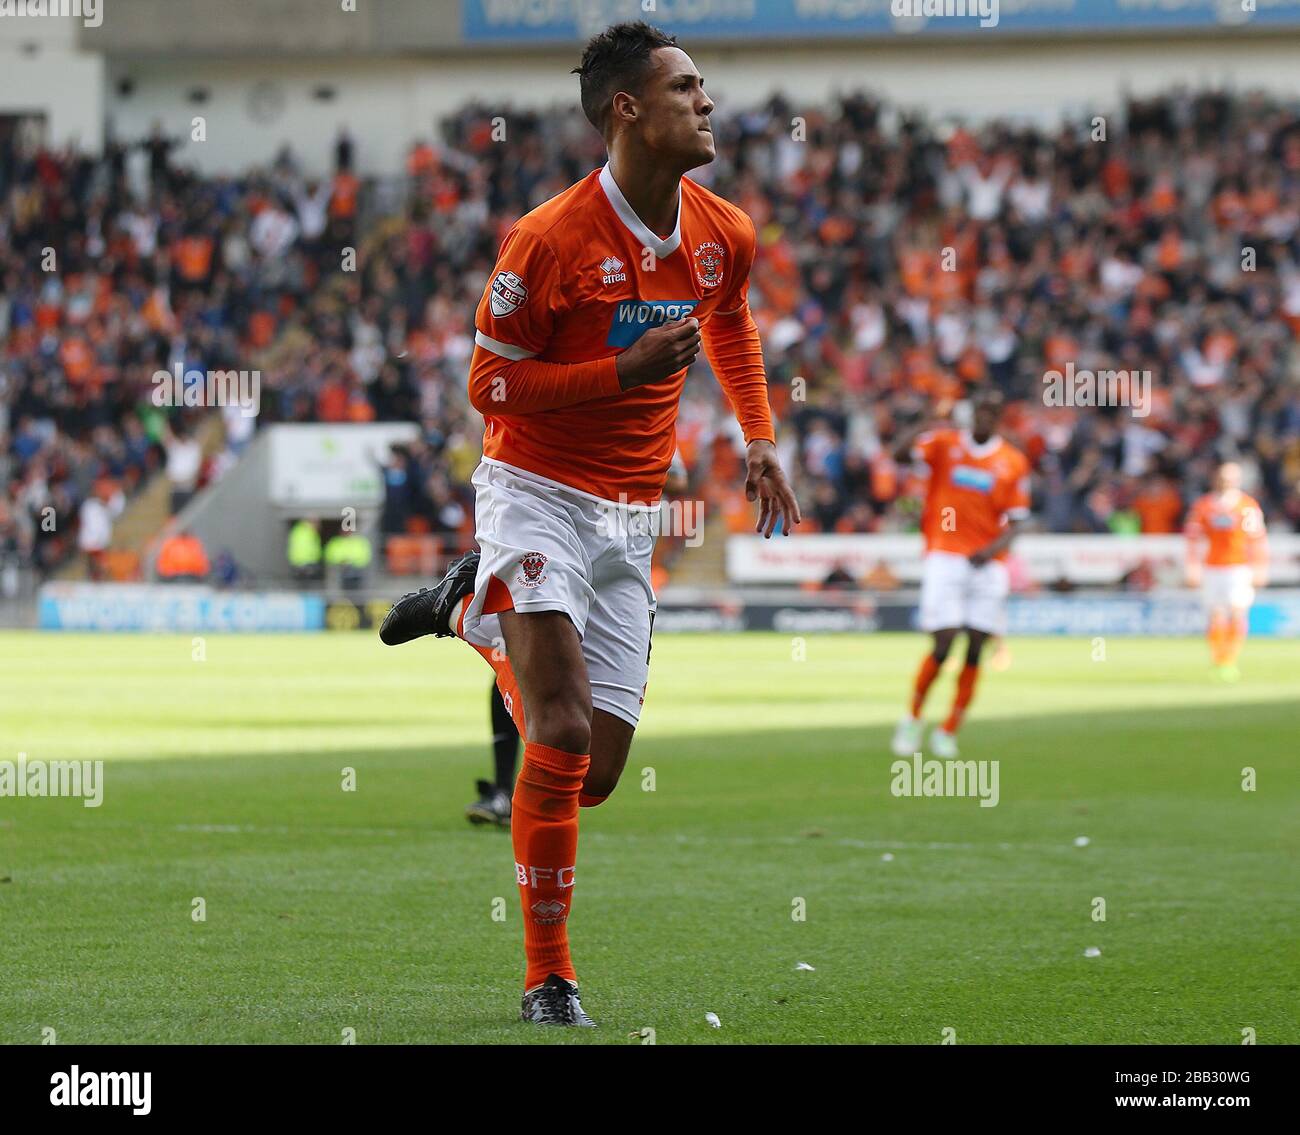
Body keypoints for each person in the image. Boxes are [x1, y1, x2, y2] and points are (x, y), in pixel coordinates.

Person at [379, 21, 800, 1027]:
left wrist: (757, 434)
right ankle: (548, 976)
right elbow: (489, 382)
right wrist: (622, 369)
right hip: (532, 489)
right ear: (627, 109)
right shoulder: (550, 238)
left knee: (592, 775)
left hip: (628, 514)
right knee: (558, 728)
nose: (707, 102)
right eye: (686, 87)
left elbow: (729, 315)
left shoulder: (721, 230)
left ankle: (467, 615)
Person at [890, 389, 1031, 760]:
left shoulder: (1012, 461)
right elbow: (899, 455)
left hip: (987, 563)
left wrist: (991, 550)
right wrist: (927, 421)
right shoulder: (944, 443)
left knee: (975, 648)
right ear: (972, 413)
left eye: (993, 411)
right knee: (943, 640)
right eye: (981, 409)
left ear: (1000, 417)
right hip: (946, 555)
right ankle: (912, 717)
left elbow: (1017, 522)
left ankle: (949, 728)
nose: (985, 416)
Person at [1184, 461, 1268, 681]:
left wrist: (1260, 567)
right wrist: (1192, 567)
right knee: (1216, 616)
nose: (1226, 481)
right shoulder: (1204, 505)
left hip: (1239, 568)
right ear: (1216, 479)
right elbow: (1193, 539)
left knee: (1237, 611)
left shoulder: (1247, 506)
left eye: (1231, 478)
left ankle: (1230, 659)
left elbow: (1257, 540)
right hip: (1212, 567)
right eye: (1223, 477)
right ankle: (1219, 659)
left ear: (1238, 480)